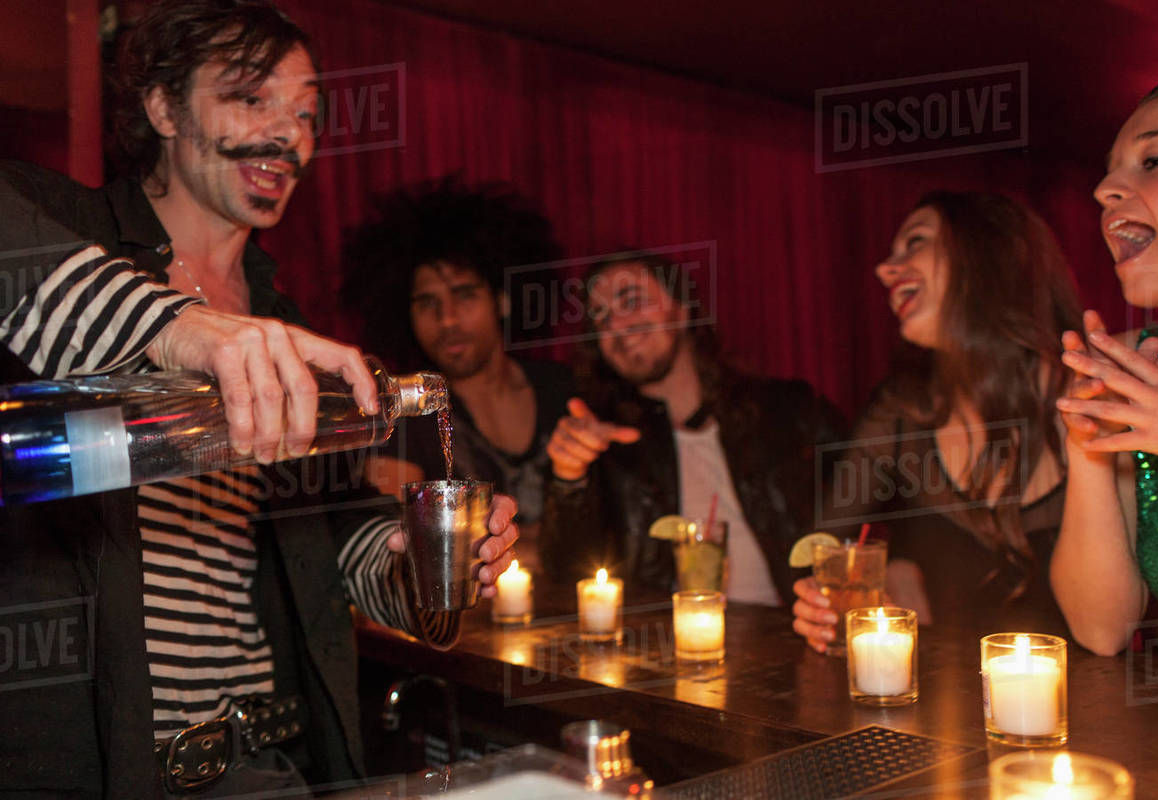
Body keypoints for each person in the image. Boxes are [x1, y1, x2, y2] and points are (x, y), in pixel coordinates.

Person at [0, 2, 517, 796]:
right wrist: (174, 326)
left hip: (263, 765)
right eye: (251, 98)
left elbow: (331, 541)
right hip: (102, 768)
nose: (290, 135)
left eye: (307, 113)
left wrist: (414, 568)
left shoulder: (286, 326)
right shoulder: (67, 233)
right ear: (163, 106)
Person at [790, 191, 1083, 652]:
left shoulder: (1092, 393)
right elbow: (819, 548)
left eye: (916, 242)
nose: (884, 269)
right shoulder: (902, 410)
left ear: (989, 252)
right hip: (937, 711)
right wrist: (827, 603)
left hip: (1090, 714)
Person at [539, 252, 844, 606]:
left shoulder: (785, 408)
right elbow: (567, 574)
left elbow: (882, 486)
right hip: (665, 646)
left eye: (632, 301)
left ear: (683, 309)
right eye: (601, 316)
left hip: (793, 634)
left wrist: (898, 562)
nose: (617, 326)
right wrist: (569, 477)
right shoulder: (601, 439)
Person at [1051, 68, 1158, 657]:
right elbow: (1102, 630)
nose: (1105, 188)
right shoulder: (1143, 368)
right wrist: (1089, 444)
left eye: (1156, 160)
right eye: (1110, 168)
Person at [341, 177, 573, 551]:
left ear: (503, 301)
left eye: (464, 295)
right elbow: (397, 548)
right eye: (427, 303)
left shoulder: (562, 389)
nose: (447, 319)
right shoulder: (401, 414)